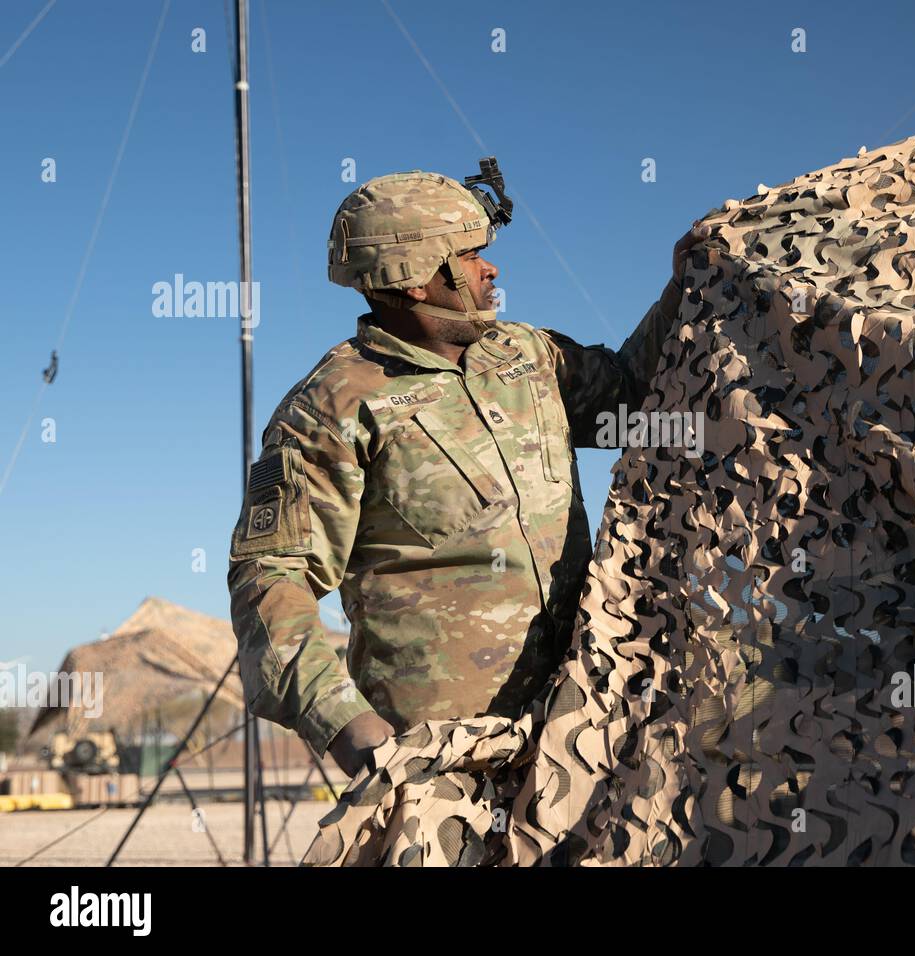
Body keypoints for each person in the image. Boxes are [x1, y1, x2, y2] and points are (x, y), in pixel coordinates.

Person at [227, 162, 708, 776]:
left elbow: (636, 395)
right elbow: (271, 573)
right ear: (413, 280)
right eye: (470, 255)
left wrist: (684, 291)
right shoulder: (330, 408)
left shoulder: (527, 355)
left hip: (586, 722)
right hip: (451, 758)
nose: (491, 269)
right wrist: (341, 719)